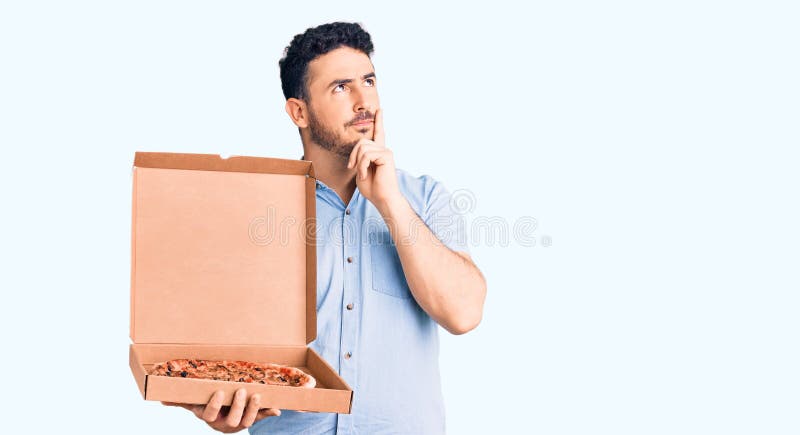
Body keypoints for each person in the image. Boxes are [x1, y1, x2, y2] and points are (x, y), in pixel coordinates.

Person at [163, 22, 487, 434]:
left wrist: (389, 202)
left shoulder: (423, 199)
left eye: (368, 81)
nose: (363, 100)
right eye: (340, 87)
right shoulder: (256, 210)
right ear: (299, 111)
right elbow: (224, 345)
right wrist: (224, 404)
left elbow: (464, 313)